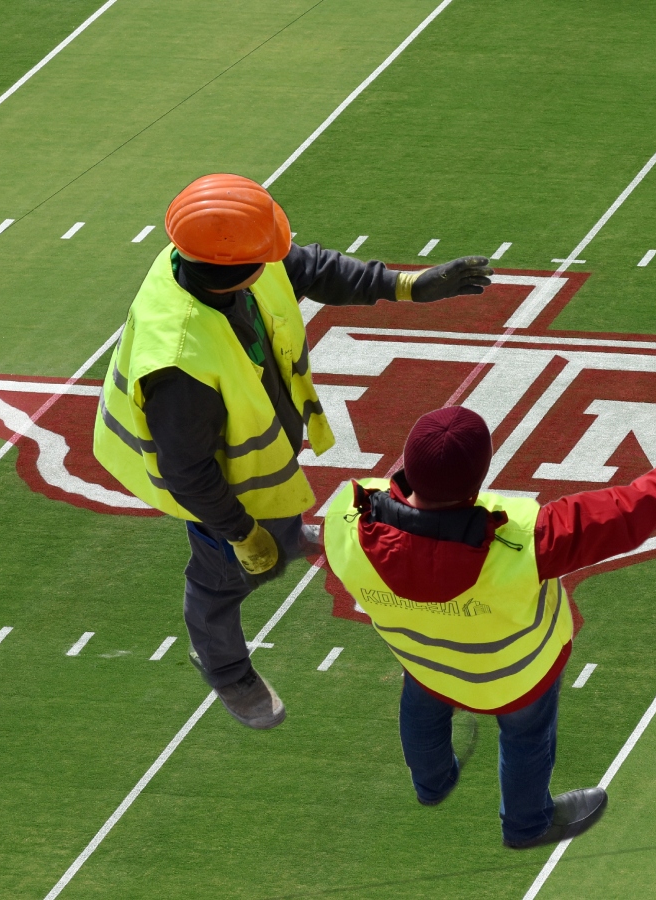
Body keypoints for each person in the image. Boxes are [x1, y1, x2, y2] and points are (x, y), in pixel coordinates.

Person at [94, 173, 493, 730]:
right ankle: (223, 667)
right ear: (242, 268)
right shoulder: (180, 365)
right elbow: (189, 473)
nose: (279, 257)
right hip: (216, 487)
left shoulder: (205, 258)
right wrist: (240, 533)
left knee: (275, 512)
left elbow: (309, 267)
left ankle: (281, 534)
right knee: (218, 580)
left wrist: (407, 285)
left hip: (249, 442)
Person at [322, 400, 656, 848]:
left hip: (425, 660)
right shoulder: (530, 539)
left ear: (409, 465)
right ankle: (526, 825)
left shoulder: (345, 518)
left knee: (421, 705)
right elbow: (632, 509)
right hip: (518, 676)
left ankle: (430, 784)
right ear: (478, 479)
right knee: (526, 737)